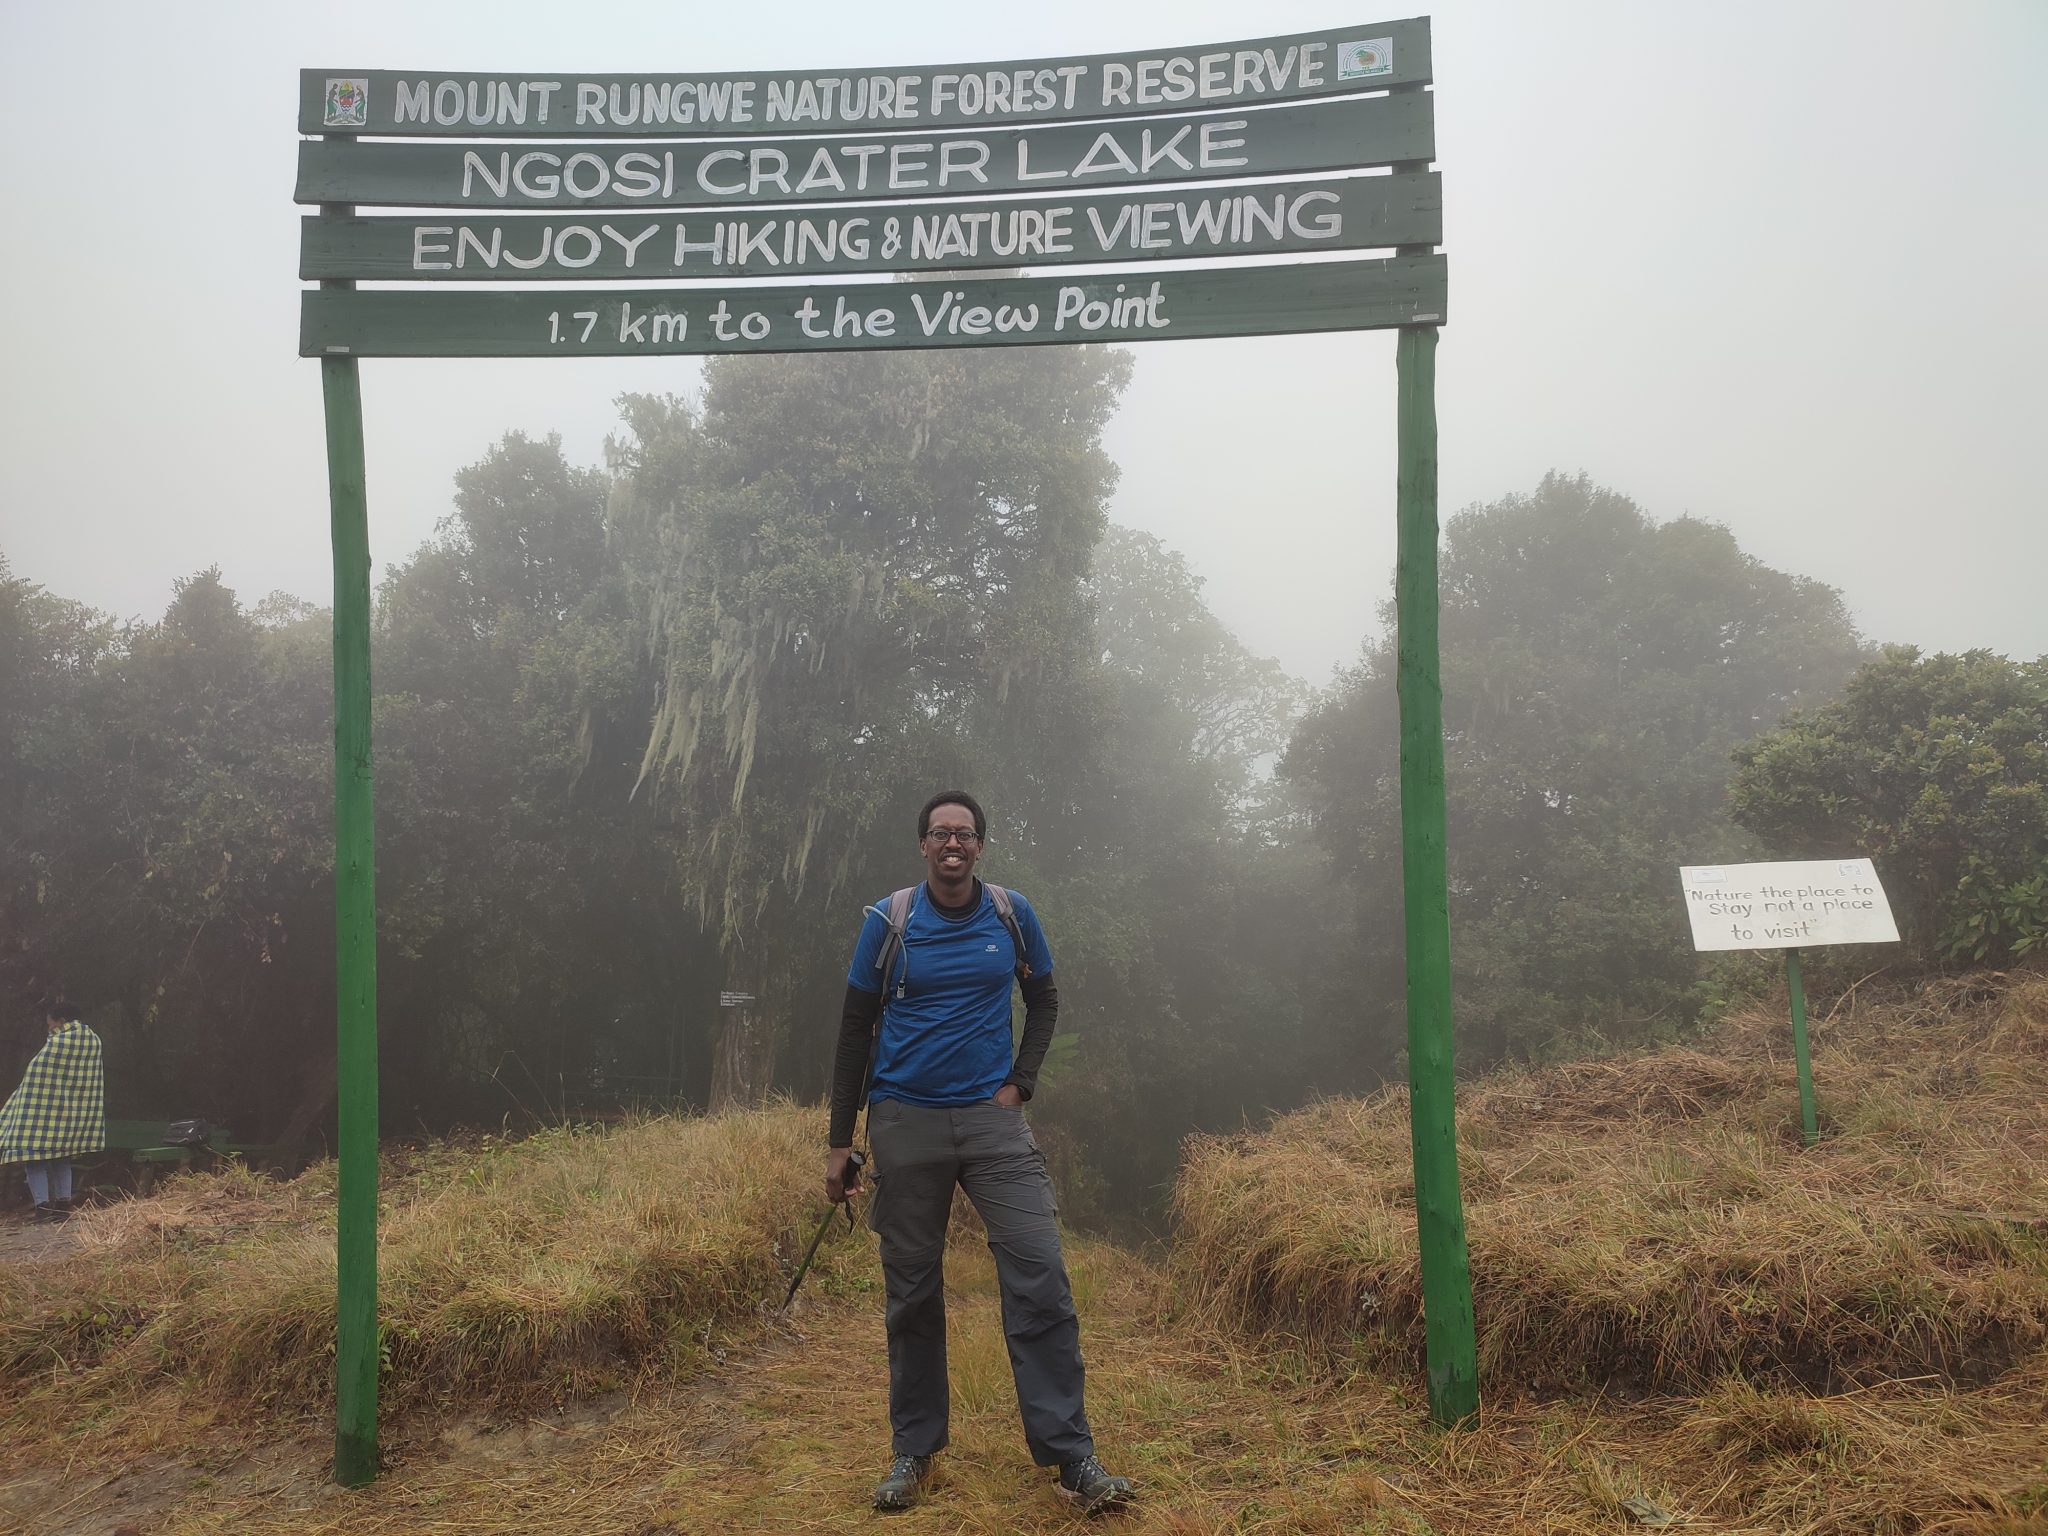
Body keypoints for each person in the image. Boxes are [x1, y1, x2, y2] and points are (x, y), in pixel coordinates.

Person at [826, 790, 1132, 1516]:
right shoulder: (888, 921)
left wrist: (1020, 1083)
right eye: (940, 834)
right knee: (912, 1292)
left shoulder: (1010, 913)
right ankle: (915, 1450)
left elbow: (1046, 999)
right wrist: (840, 1141)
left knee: (1040, 1275)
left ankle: (1071, 1457)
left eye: (965, 834)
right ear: (924, 846)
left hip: (994, 1126)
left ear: (980, 846)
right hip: (904, 1120)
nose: (953, 844)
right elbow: (851, 1031)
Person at [0, 997, 106, 1220]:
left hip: (44, 1114)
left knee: (33, 1157)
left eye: (50, 1023)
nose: (49, 1027)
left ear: (61, 1020)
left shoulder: (58, 1043)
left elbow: (36, 1076)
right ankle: (63, 1207)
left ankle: (43, 1208)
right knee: (62, 1157)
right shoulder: (93, 1040)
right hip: (74, 1115)